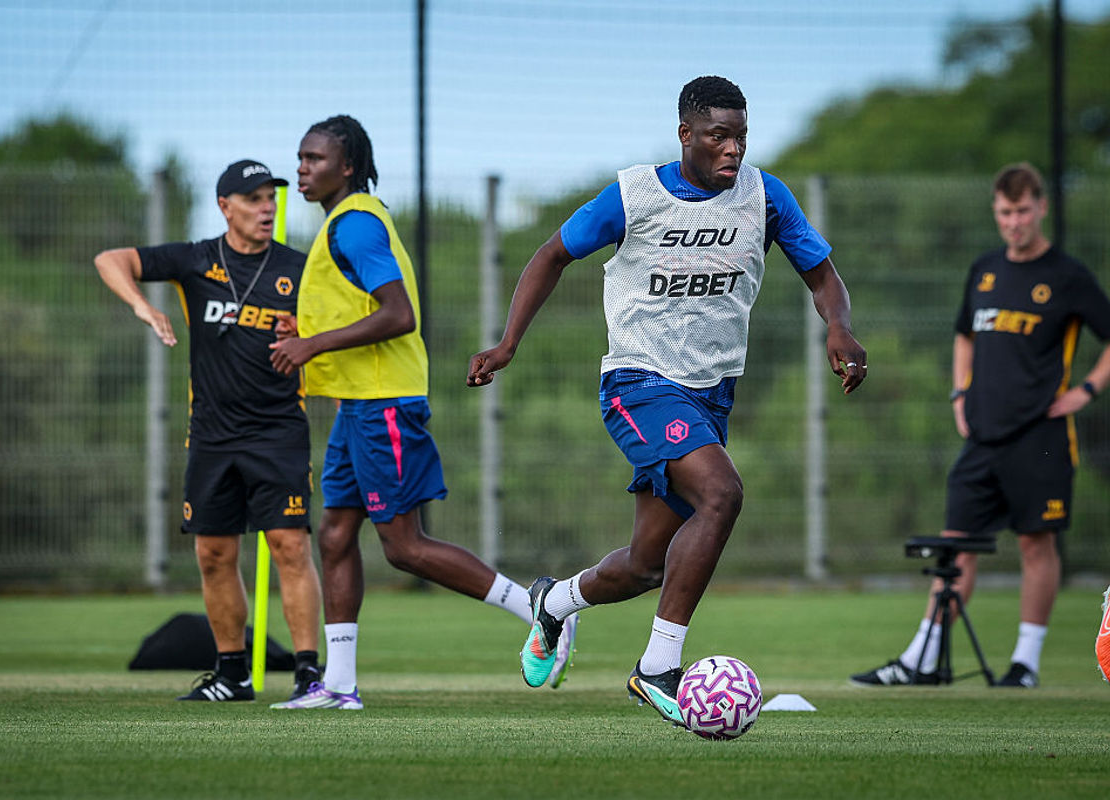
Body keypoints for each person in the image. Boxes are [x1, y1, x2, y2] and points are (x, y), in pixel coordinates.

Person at [466, 76, 867, 726]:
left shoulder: (765, 198)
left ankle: (554, 604)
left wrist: (839, 325)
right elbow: (549, 256)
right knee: (723, 493)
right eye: (717, 136)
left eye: (739, 135)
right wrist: (507, 342)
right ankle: (658, 670)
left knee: (646, 567)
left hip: (710, 398)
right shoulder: (634, 194)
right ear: (686, 135)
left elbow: (821, 275)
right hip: (637, 384)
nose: (731, 149)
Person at [268, 115, 575, 710]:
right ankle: (339, 686)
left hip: (384, 404)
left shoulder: (355, 226)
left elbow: (398, 314)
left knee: (404, 547)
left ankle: (539, 608)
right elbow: (357, 310)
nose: (303, 168)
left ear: (348, 166)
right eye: (301, 158)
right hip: (356, 406)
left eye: (315, 159)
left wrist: (310, 345)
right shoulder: (341, 222)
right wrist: (305, 330)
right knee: (333, 536)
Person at [851, 162, 1110, 689]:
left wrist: (1084, 392)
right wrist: (959, 391)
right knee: (955, 546)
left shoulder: (1068, 276)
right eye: (1003, 213)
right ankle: (922, 658)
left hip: (1041, 436)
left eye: (1021, 212)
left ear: (1039, 208)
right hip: (982, 437)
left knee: (1037, 545)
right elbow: (965, 334)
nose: (1013, 222)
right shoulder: (985, 269)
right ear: (995, 213)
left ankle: (1026, 663)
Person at [94, 159, 324, 703]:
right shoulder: (195, 260)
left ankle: (310, 674)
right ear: (225, 206)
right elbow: (110, 259)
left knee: (290, 546)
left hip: (278, 431)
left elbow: (342, 321)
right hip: (212, 437)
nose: (266, 207)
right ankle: (232, 674)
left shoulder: (300, 266)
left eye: (271, 197)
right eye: (253, 199)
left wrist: (308, 328)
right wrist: (142, 306)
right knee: (214, 554)